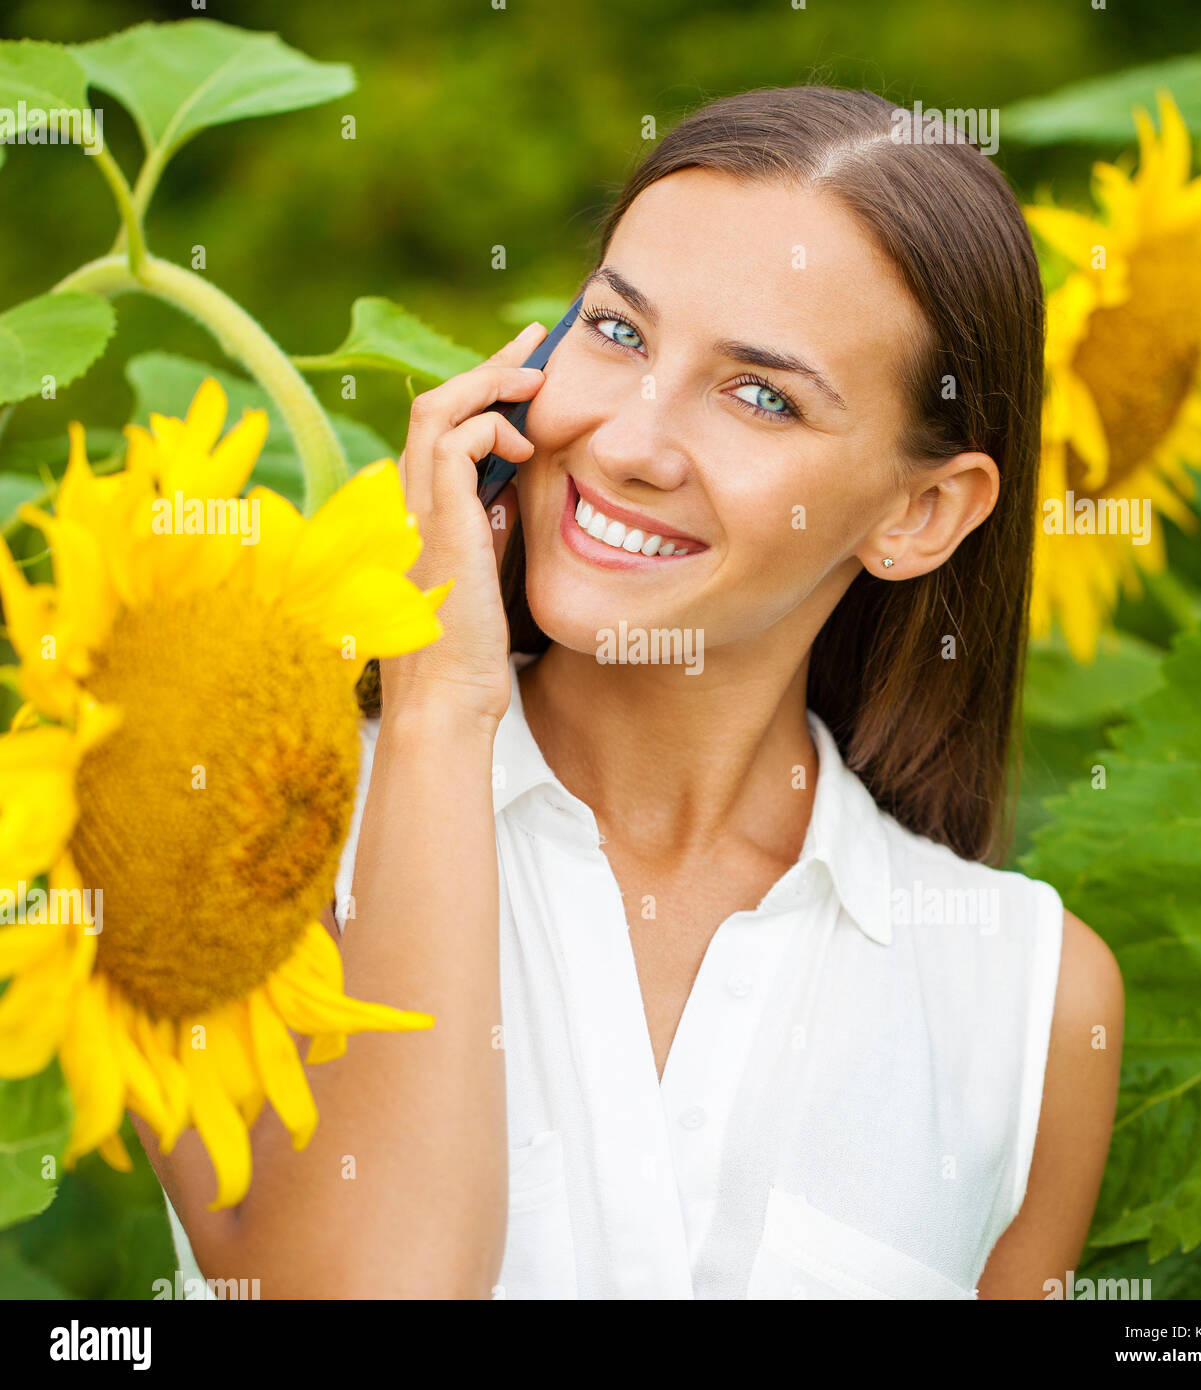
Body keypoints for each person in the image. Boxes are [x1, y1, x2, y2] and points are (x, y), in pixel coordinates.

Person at [139, 84, 1123, 1300]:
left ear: (920, 514)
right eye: (617, 332)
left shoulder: (1028, 1001)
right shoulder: (216, 816)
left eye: (760, 395)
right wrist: (437, 696)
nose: (626, 443)